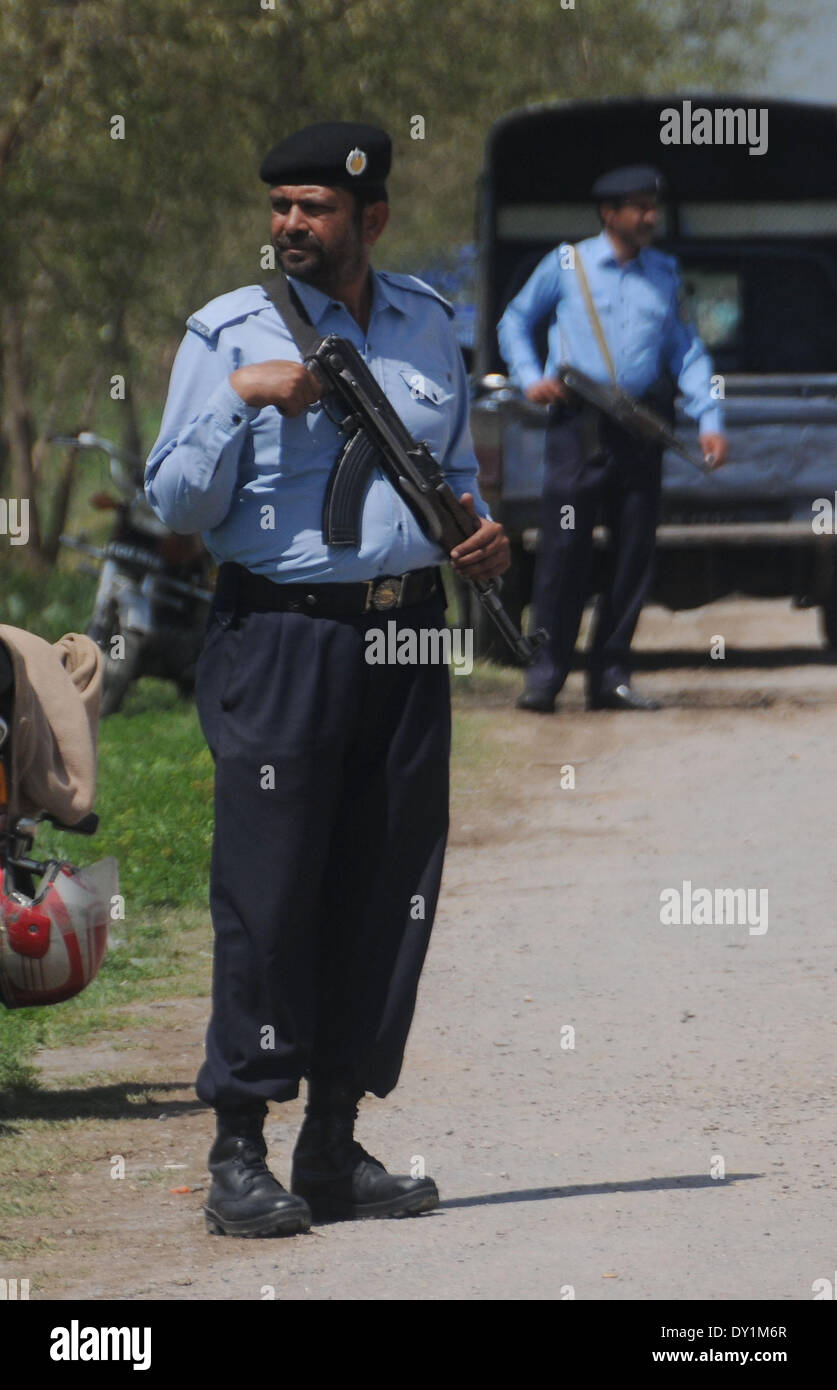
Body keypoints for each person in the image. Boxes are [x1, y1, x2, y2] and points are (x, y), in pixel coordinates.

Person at [145, 121, 509, 1237]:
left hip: (404, 639)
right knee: (269, 895)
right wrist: (243, 397)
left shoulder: (429, 324)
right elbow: (173, 504)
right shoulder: (229, 331)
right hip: (282, 638)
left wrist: (484, 533)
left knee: (385, 887)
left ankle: (335, 1143)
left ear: (372, 219)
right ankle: (240, 1150)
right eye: (281, 208)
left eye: (314, 209)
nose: (291, 226)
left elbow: (453, 474)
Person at [497, 164, 727, 714]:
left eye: (652, 206)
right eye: (638, 207)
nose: (649, 217)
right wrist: (531, 378)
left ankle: (611, 678)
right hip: (580, 426)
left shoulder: (666, 274)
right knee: (563, 553)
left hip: (642, 428)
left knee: (633, 553)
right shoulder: (567, 263)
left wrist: (711, 420)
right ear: (609, 213)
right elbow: (515, 320)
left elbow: (687, 352)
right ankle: (545, 678)